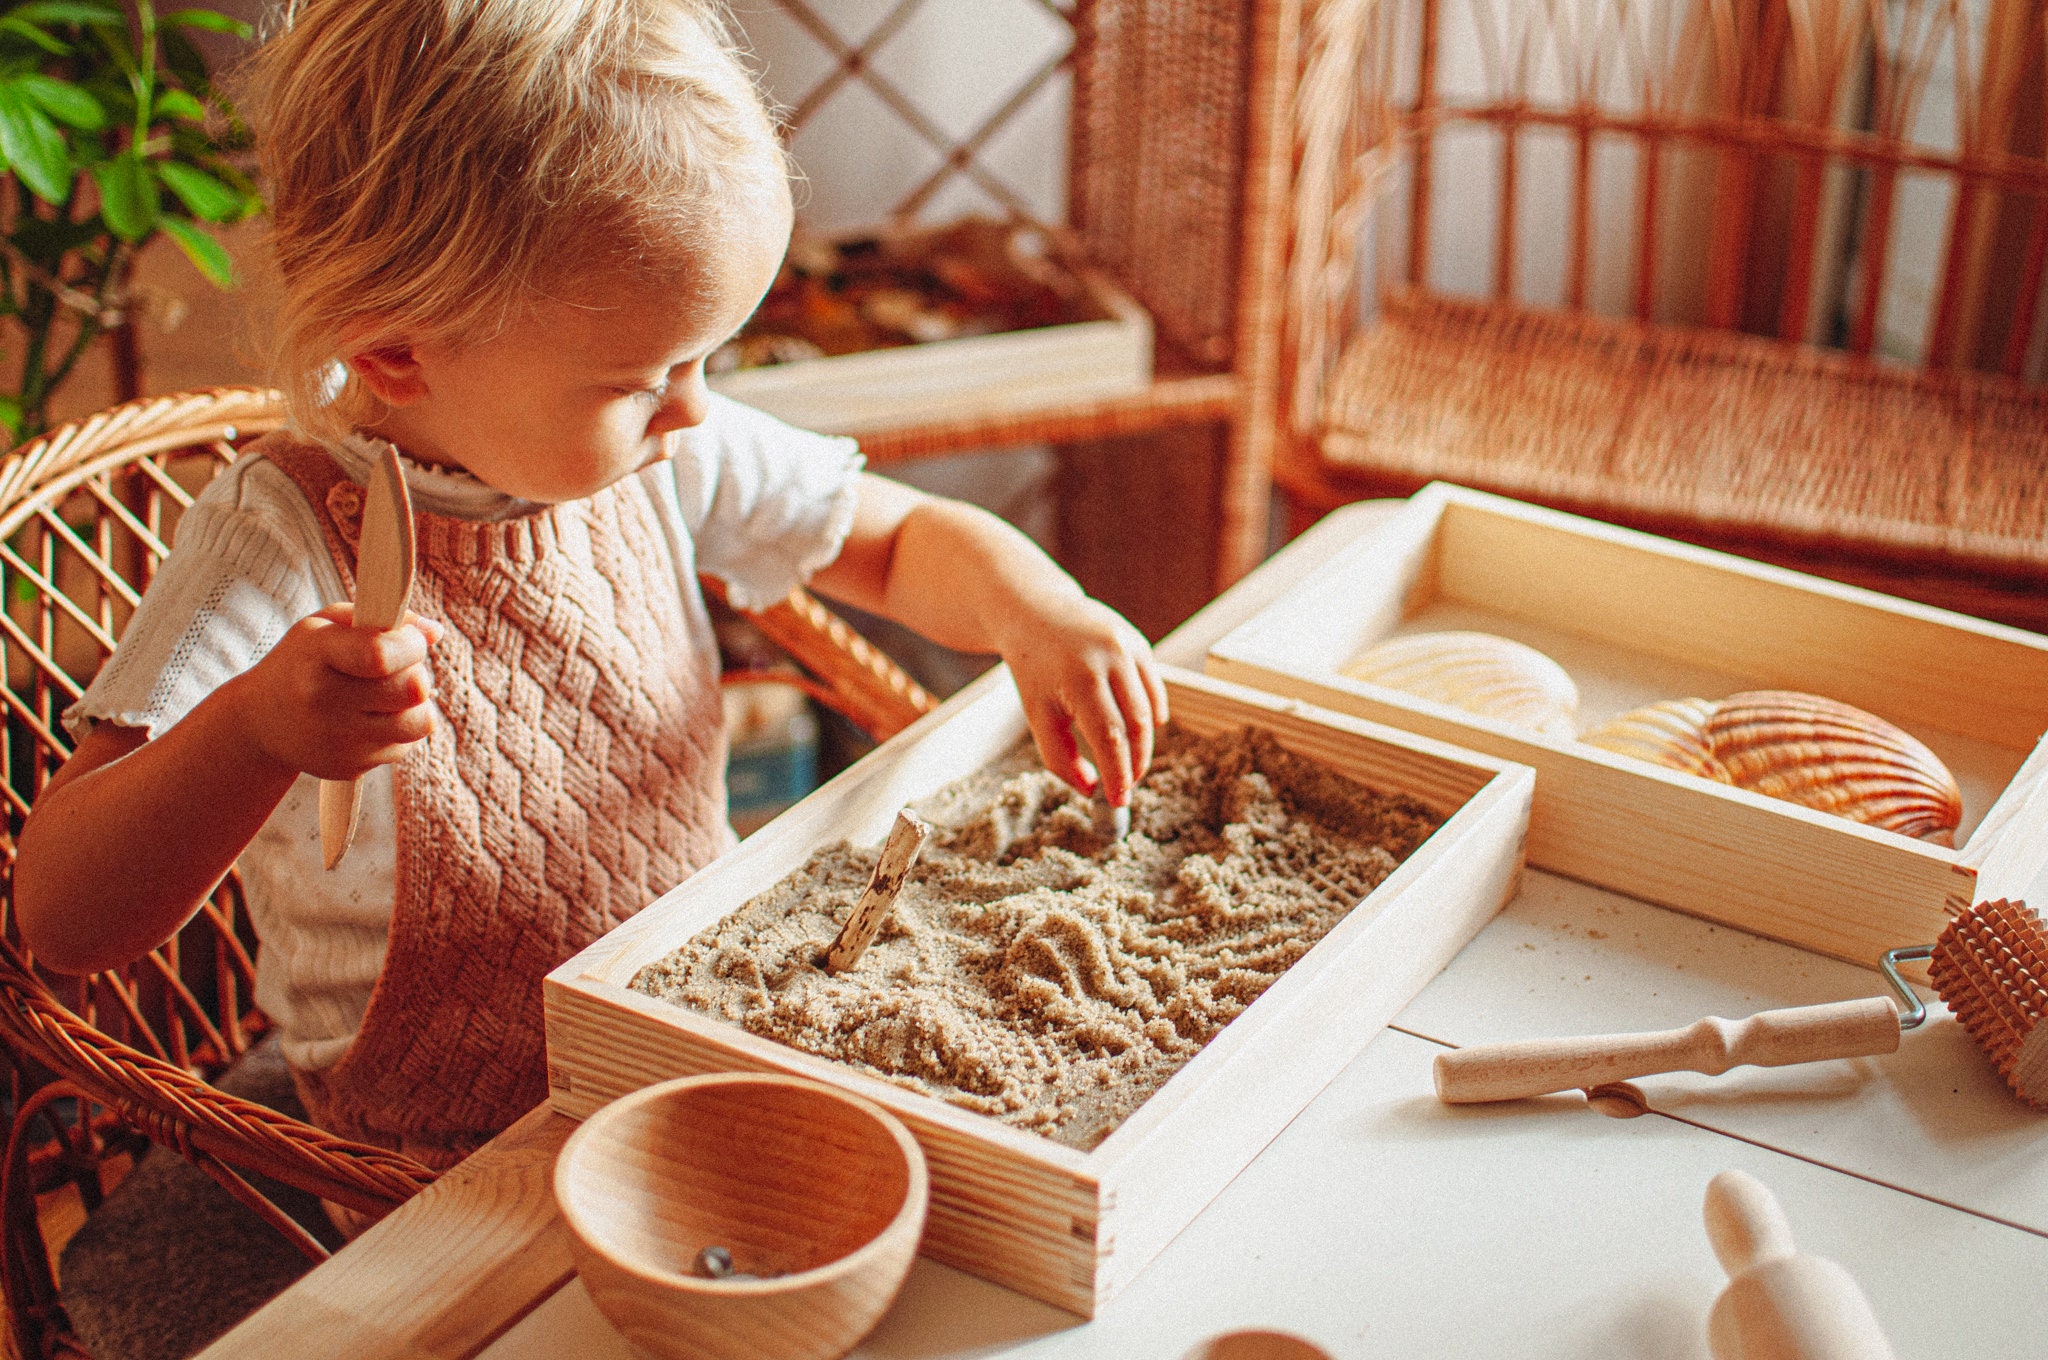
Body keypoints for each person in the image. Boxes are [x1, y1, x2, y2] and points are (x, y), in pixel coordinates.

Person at [13, 0, 1165, 1175]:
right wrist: (256, 730)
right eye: (643, 377)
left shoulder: (656, 442)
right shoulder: (281, 538)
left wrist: (1033, 609)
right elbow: (64, 914)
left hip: (700, 1011)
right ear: (398, 352)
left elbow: (897, 538)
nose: (694, 407)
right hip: (446, 1141)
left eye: (706, 358)